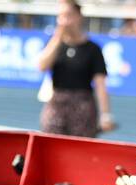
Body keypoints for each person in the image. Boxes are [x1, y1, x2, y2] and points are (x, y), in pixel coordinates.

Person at [37, 1, 116, 138]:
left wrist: (105, 115)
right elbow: (42, 66)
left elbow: (100, 84)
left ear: (79, 16)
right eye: (60, 16)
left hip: (83, 106)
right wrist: (57, 38)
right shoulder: (54, 44)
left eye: (68, 15)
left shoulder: (92, 49)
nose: (64, 21)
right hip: (57, 103)